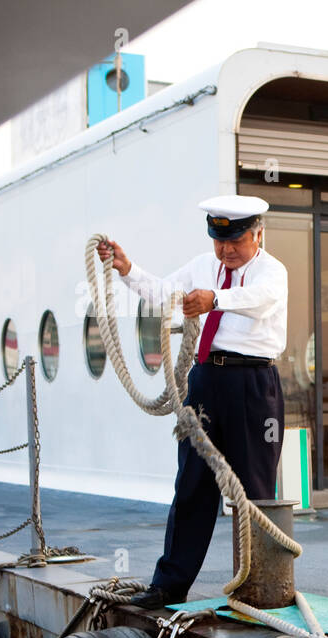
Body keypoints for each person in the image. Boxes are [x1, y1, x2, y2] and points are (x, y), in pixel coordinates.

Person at [96, 195, 288, 609]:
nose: (227, 250)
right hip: (205, 380)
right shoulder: (204, 266)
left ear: (257, 234)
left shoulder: (273, 272)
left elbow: (261, 299)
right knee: (192, 484)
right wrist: (127, 270)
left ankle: (260, 590)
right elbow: (164, 292)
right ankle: (169, 585)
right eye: (220, 241)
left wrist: (214, 300)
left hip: (253, 382)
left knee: (255, 491)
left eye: (236, 240)